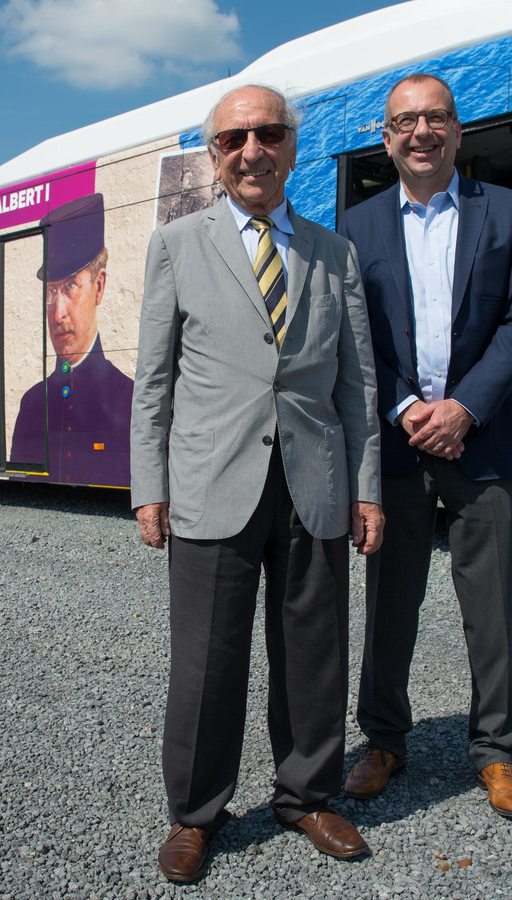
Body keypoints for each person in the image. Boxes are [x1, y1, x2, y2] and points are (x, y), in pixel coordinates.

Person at [131, 84, 384, 884]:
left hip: (315, 480)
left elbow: (357, 386)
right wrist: (149, 483)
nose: (252, 150)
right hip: (211, 480)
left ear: (291, 146)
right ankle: (195, 814)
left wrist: (366, 486)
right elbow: (155, 382)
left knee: (315, 652)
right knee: (206, 661)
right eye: (234, 138)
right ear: (214, 155)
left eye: (268, 133)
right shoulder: (177, 245)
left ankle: (308, 795)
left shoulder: (332, 252)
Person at [337, 74, 512, 820]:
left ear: (458, 131)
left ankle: (496, 751)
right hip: (396, 444)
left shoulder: (509, 212)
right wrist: (408, 408)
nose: (420, 132)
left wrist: (465, 408)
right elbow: (354, 337)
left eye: (435, 119)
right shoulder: (355, 230)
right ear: (386, 139)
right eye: (404, 122)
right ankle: (384, 740)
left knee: (488, 605)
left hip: (483, 442)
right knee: (390, 603)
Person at [10, 192, 133, 486]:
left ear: (99, 286)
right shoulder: (32, 405)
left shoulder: (130, 401)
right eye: (51, 293)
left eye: (70, 286)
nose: (58, 313)